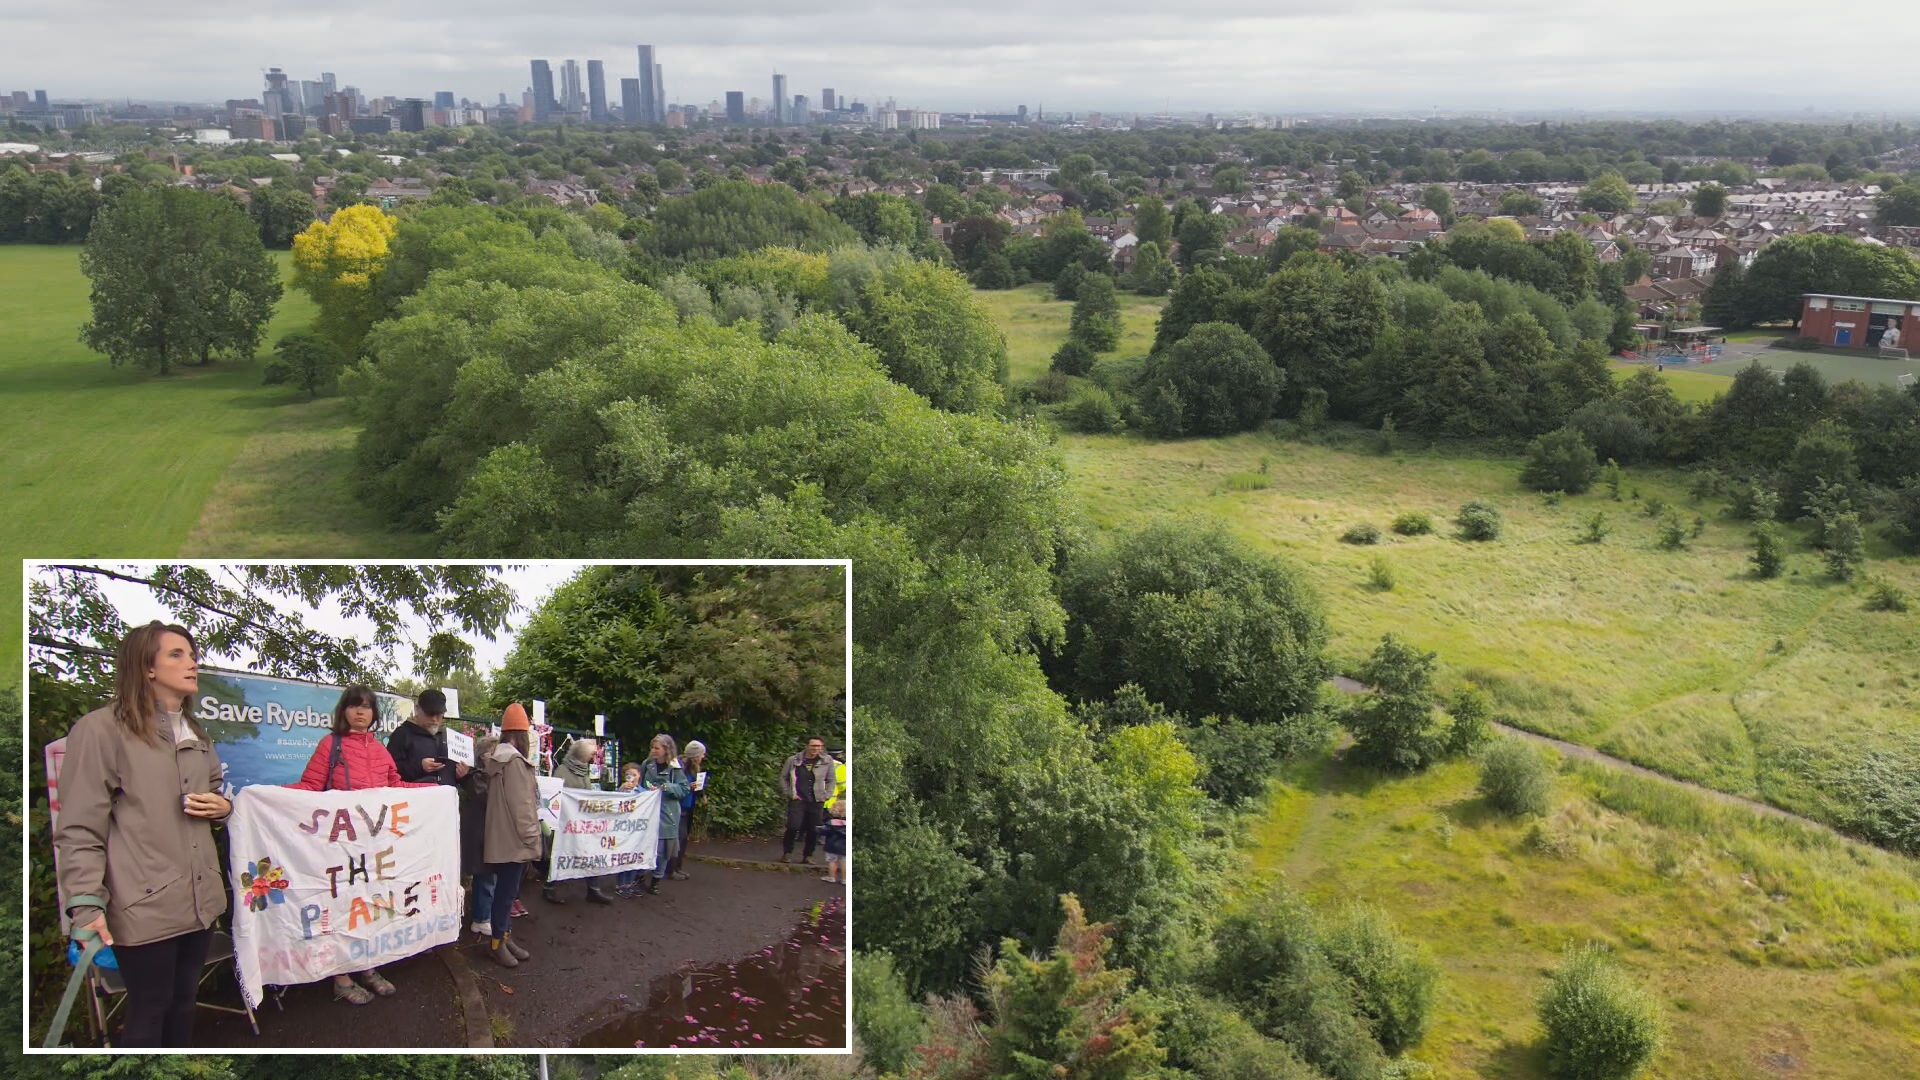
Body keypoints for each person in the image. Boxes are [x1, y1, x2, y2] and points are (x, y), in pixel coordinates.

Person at [55, 622, 233, 1047]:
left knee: (184, 1003)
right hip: (142, 906)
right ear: (146, 667)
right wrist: (84, 903)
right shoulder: (101, 730)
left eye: (191, 653)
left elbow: (214, 797)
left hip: (200, 901)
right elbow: (79, 827)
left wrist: (224, 808)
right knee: (150, 1007)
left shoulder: (198, 733)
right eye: (176, 654)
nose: (191, 662)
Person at [288, 685, 436, 1004]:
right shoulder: (331, 745)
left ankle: (368, 966)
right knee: (342, 909)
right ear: (343, 711)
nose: (360, 712)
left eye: (367, 707)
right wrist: (265, 796)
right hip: (340, 848)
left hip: (375, 848)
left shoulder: (380, 750)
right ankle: (341, 978)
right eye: (354, 706)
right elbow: (310, 786)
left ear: (374, 714)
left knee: (369, 908)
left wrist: (433, 790)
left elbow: (396, 786)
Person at [482, 704, 542, 969]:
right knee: (506, 894)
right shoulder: (515, 762)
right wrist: (532, 837)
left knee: (505, 893)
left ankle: (503, 938)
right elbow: (523, 807)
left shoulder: (498, 758)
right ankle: (497, 943)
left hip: (503, 838)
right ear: (523, 734)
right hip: (515, 840)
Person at [545, 738, 615, 905]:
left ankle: (593, 889)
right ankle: (549, 887)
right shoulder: (562, 772)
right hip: (567, 823)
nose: (594, 756)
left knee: (590, 853)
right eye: (591, 752)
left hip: (583, 823)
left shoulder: (583, 771)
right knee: (562, 854)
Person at [386, 689, 468, 788]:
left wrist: (461, 775)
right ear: (417, 709)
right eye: (429, 714)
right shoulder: (402, 734)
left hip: (446, 798)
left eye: (438, 715)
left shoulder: (447, 736)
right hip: (415, 797)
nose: (434, 719)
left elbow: (454, 773)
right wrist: (420, 766)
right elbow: (389, 770)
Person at [460, 732, 500, 937]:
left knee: (487, 877)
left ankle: (483, 915)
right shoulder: (478, 778)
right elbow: (489, 799)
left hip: (484, 834)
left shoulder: (481, 777)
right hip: (481, 836)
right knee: (485, 877)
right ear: (485, 757)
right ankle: (481, 918)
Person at [640, 734, 690, 893]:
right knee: (645, 845)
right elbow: (640, 785)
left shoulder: (675, 768)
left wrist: (666, 787)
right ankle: (639, 876)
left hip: (667, 812)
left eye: (657, 748)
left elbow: (684, 789)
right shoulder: (647, 764)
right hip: (648, 811)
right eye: (652, 748)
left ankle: (656, 880)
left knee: (663, 849)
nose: (653, 751)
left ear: (666, 749)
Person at [779, 737, 836, 864]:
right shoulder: (793, 760)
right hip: (797, 799)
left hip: (817, 800)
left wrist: (827, 795)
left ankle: (808, 855)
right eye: (813, 746)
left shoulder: (827, 760)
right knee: (793, 826)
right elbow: (783, 777)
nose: (816, 748)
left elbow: (831, 779)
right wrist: (789, 793)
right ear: (807, 746)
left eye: (819, 746)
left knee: (814, 829)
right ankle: (787, 853)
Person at [666, 740, 707, 880]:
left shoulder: (694, 768)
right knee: (678, 839)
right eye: (702, 754)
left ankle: (678, 867)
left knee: (683, 839)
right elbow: (676, 787)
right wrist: (689, 787)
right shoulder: (680, 767)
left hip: (688, 807)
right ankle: (670, 869)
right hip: (679, 807)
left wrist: (700, 793)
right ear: (695, 755)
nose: (703, 757)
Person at [614, 762, 647, 897]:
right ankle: (620, 885)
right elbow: (612, 802)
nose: (631, 778)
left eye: (634, 775)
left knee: (634, 857)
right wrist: (621, 791)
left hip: (637, 830)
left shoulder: (643, 792)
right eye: (628, 775)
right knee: (624, 856)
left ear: (639, 775)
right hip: (623, 828)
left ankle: (630, 883)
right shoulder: (621, 790)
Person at [819, 797, 847, 885]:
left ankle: (831, 877)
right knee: (844, 861)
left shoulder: (831, 822)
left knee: (832, 861)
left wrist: (817, 829)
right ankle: (845, 879)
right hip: (844, 846)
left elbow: (824, 831)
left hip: (831, 845)